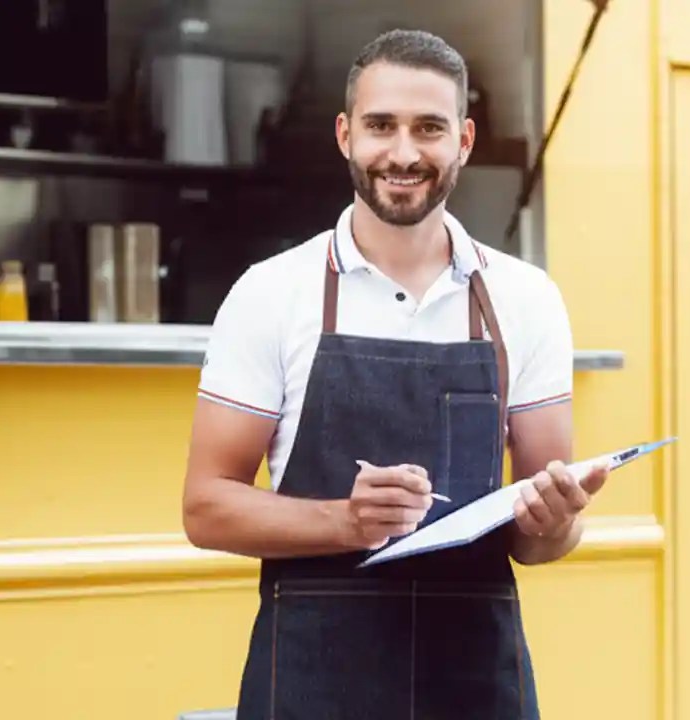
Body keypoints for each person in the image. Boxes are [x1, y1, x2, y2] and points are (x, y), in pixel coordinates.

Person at [180, 28, 607, 719]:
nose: (403, 153)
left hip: (474, 682)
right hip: (313, 679)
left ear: (463, 142)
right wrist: (346, 522)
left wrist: (559, 521)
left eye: (428, 128)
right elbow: (205, 506)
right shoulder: (271, 293)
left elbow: (540, 538)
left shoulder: (527, 301)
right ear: (346, 135)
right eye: (382, 126)